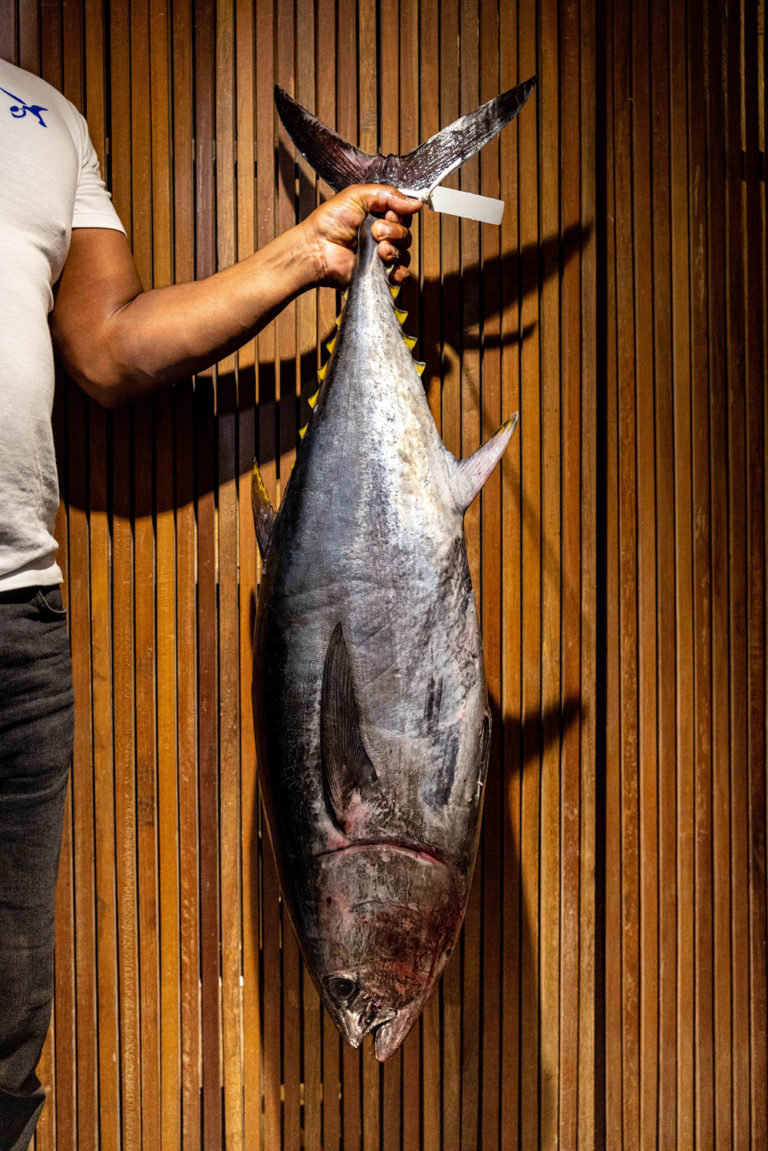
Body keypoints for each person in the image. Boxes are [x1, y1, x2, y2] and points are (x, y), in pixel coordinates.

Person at [0, 56, 420, 1150]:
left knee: (3, 1009)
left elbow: (107, 345)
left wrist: (309, 252)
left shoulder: (46, 115)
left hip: (14, 615)